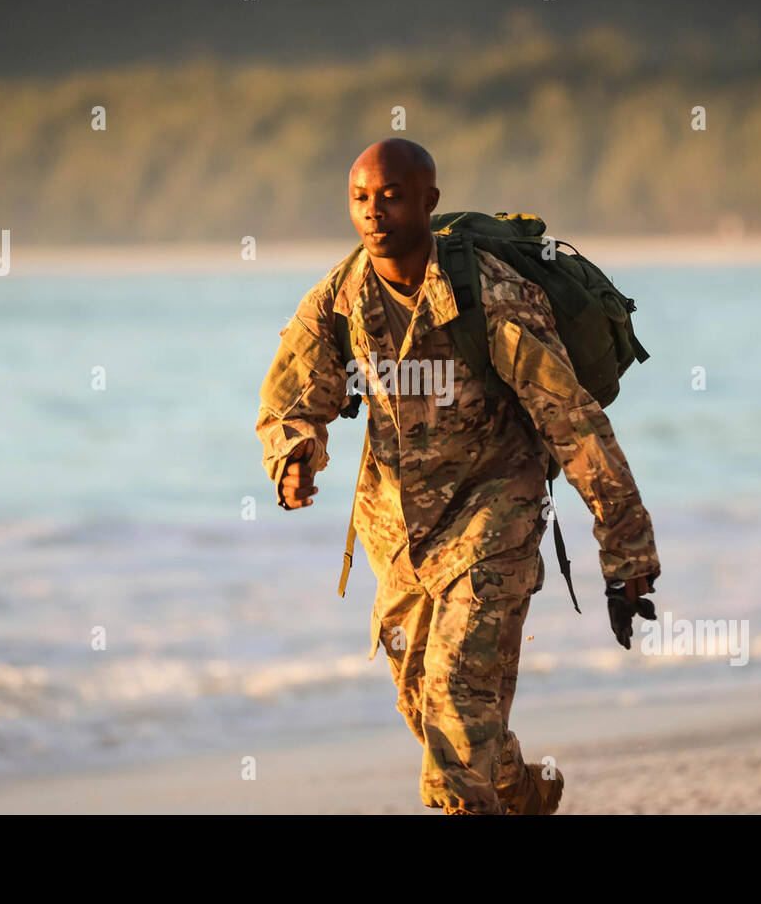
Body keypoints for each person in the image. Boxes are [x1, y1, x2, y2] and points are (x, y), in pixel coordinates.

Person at [255, 138, 660, 814]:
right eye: (360, 199)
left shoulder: (492, 297)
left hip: (493, 516)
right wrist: (294, 455)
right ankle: (524, 798)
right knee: (425, 708)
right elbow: (290, 401)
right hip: (398, 539)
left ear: (428, 201)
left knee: (453, 711)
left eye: (390, 196)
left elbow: (572, 420)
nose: (373, 213)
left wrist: (626, 550)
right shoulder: (340, 297)